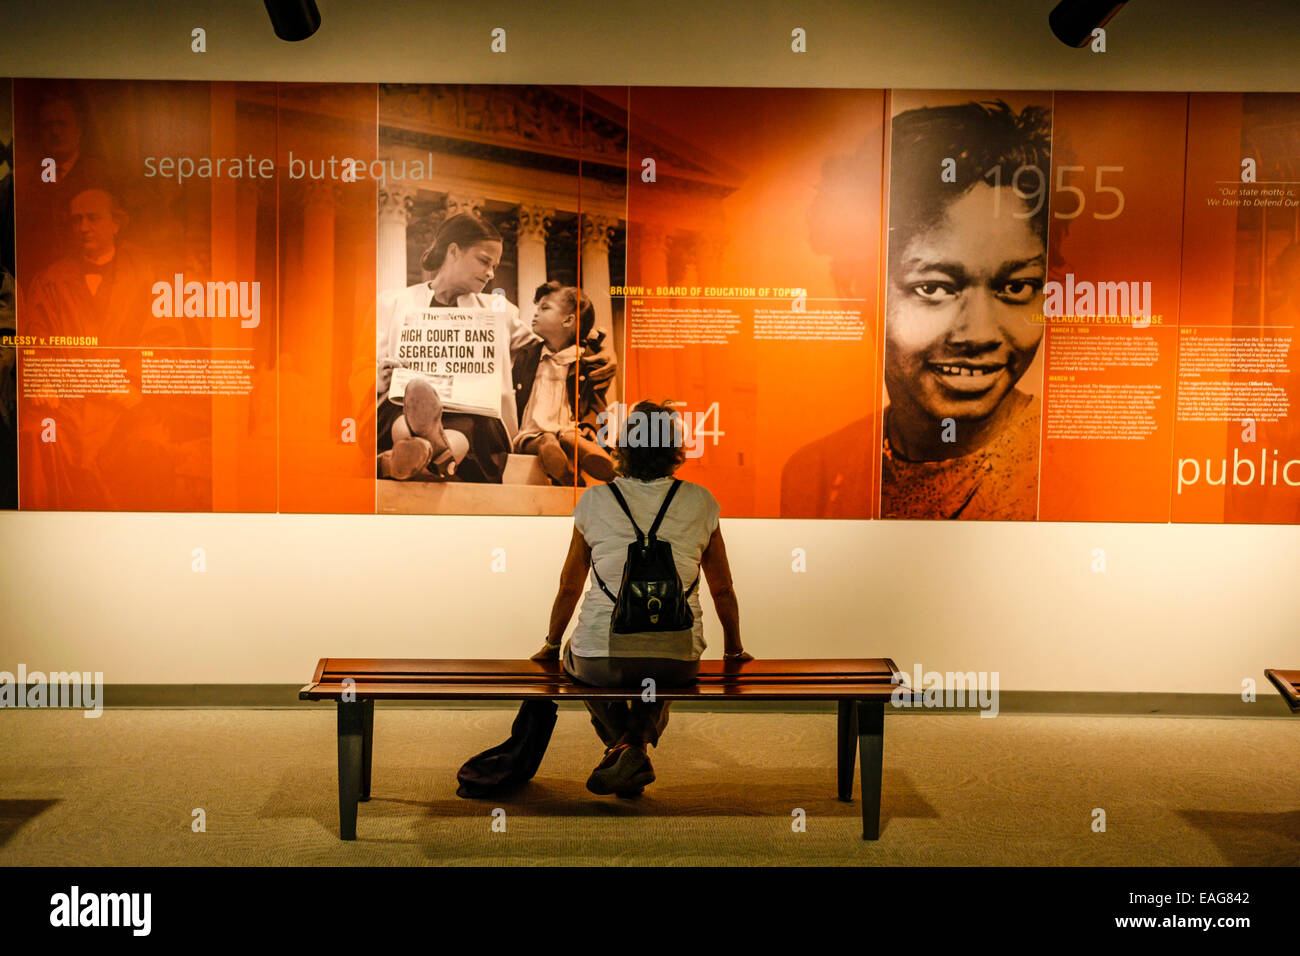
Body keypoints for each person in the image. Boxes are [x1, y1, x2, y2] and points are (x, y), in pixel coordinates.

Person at [782, 99, 1050, 520]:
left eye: (1016, 286)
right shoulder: (814, 473)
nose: (979, 334)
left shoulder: (1077, 466)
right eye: (934, 287)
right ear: (855, 288)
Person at [531, 400, 750, 797]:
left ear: (622, 448)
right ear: (674, 451)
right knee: (663, 661)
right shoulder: (701, 501)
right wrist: (734, 650)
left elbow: (569, 585)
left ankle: (625, 747)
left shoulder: (595, 502)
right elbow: (722, 588)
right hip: (676, 661)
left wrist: (550, 644)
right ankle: (634, 745)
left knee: (572, 661)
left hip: (601, 658)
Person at [511, 280, 616, 486]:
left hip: (570, 428)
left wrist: (591, 426)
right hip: (532, 431)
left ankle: (596, 458)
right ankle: (559, 464)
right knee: (544, 440)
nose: (536, 313)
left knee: (571, 437)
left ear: (568, 320)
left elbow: (595, 400)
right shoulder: (527, 355)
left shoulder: (587, 359)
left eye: (545, 308)